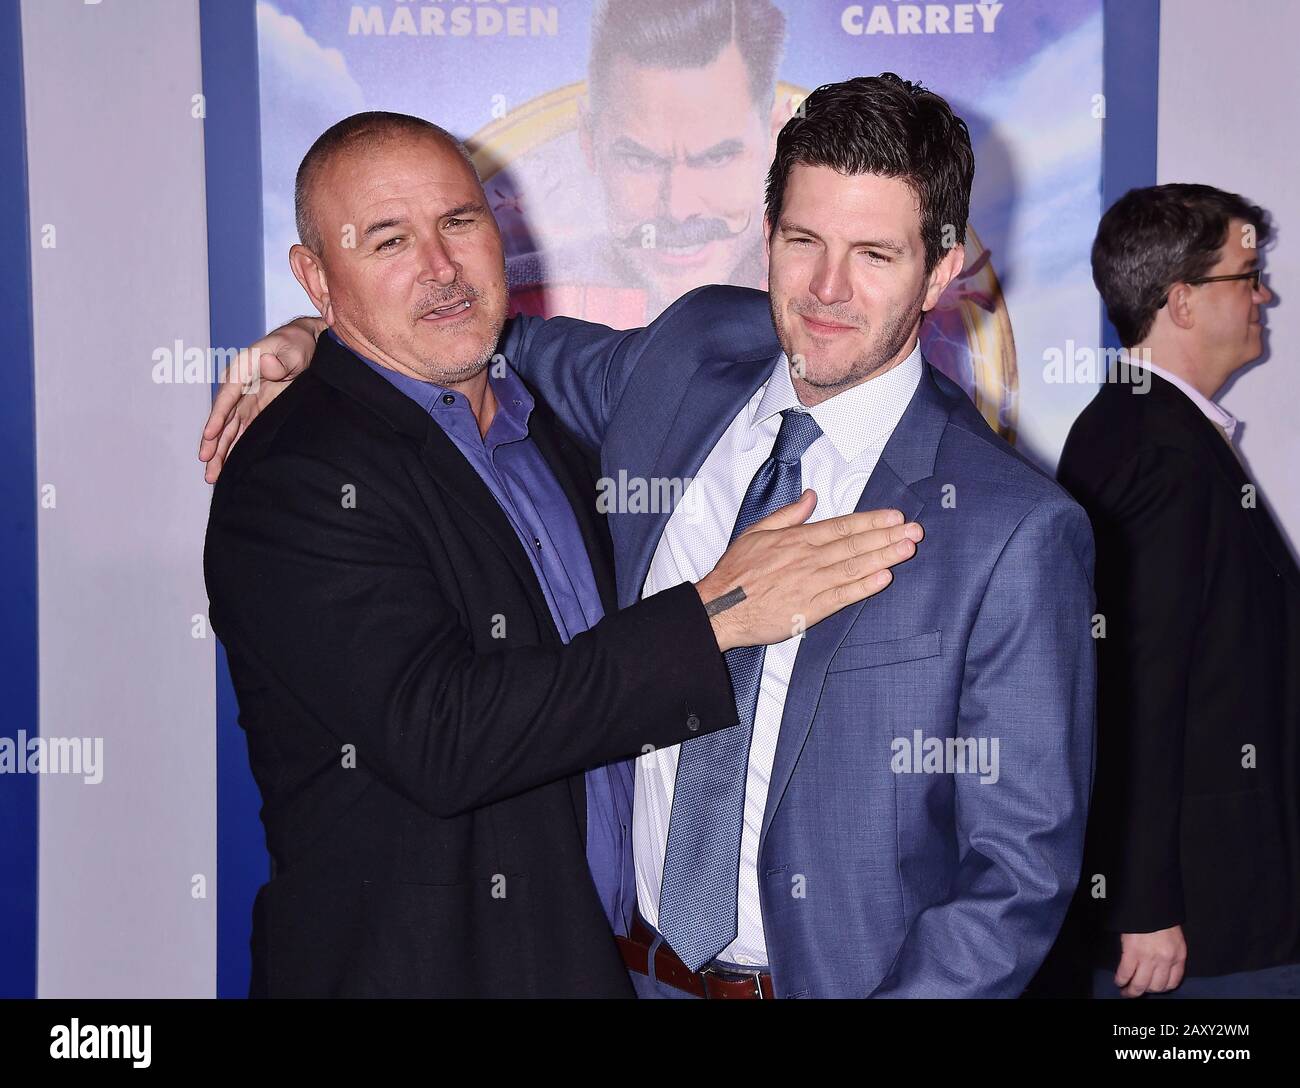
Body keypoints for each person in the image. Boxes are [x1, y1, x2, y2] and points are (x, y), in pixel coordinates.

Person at [204, 75, 1096, 998]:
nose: (828, 290)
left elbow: (1018, 878)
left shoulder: (1012, 528)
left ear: (940, 271)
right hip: (621, 974)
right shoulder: (690, 358)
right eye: (804, 242)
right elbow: (474, 339)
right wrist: (326, 335)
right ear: (767, 237)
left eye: (875, 254)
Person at [1057, 183, 1300, 999]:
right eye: (1248, 275)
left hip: (1214, 913)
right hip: (1190, 935)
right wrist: (1143, 901)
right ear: (1183, 302)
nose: (1264, 293)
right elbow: (1132, 689)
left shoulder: (1156, 432)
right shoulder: (1155, 449)